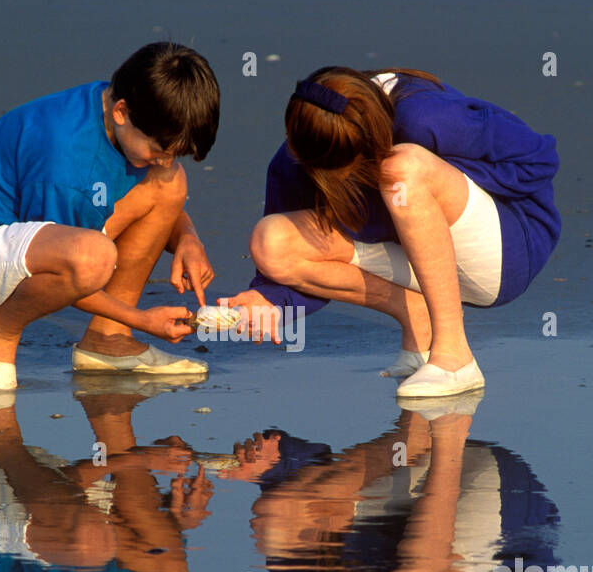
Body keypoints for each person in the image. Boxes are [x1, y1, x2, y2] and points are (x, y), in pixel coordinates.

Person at [228, 67, 561, 397]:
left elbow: (539, 159)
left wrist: (438, 191)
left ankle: (455, 357)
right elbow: (291, 267)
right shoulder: (299, 155)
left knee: (402, 170)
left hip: (508, 249)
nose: (331, 184)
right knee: (271, 240)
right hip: (420, 265)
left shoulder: (423, 117)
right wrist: (270, 300)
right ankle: (417, 317)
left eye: (344, 172)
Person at [0, 42, 219, 388]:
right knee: (94, 257)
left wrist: (187, 238)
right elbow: (73, 266)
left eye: (175, 153)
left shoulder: (113, 103)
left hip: (25, 240)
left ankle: (108, 340)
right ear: (123, 112)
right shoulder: (65, 164)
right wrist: (141, 319)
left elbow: (158, 185)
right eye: (158, 150)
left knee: (168, 182)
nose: (165, 160)